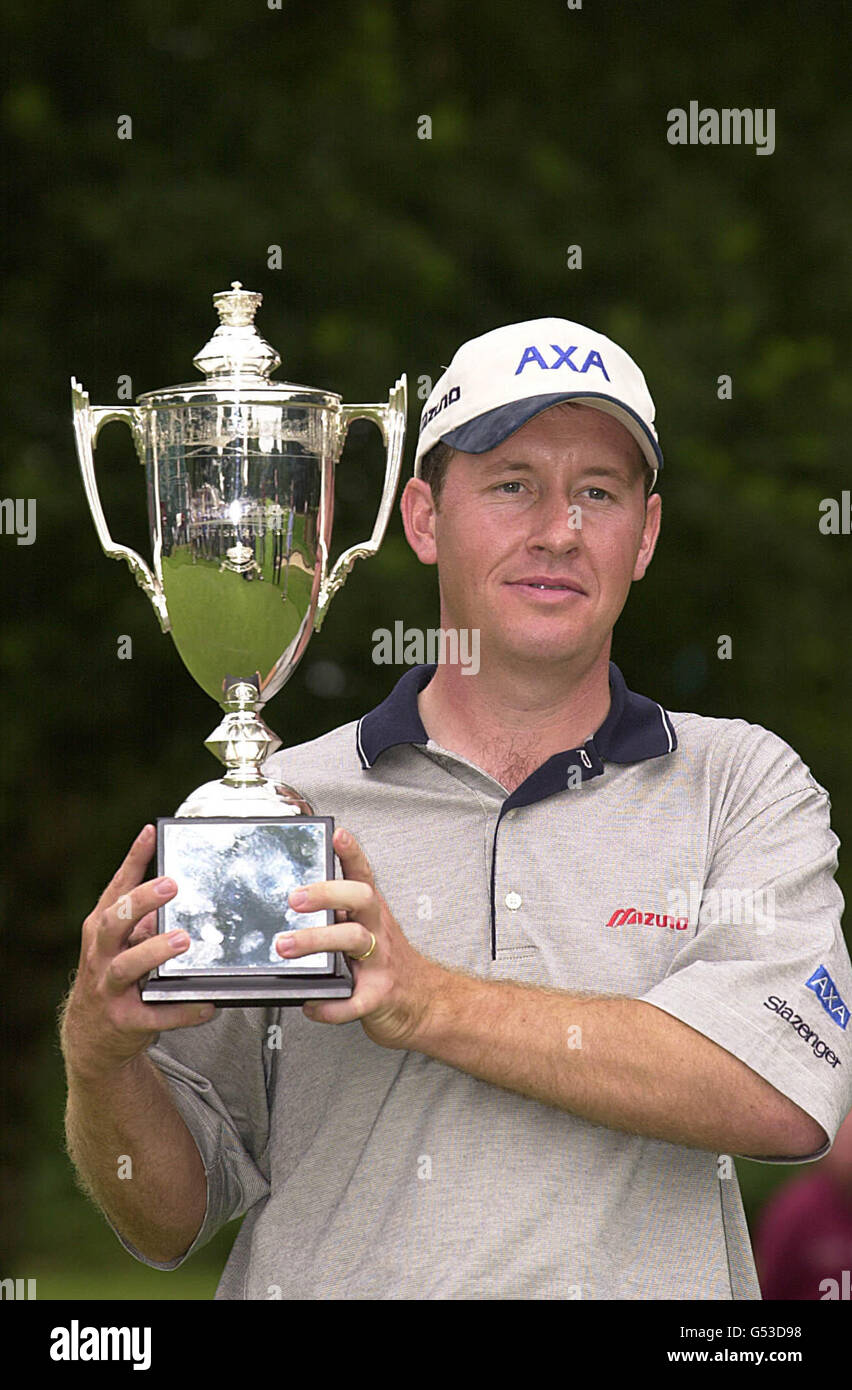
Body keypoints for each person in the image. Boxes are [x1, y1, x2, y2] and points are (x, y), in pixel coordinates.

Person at [60, 317, 852, 1300]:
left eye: (597, 493)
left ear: (643, 535)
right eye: (513, 483)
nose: (558, 528)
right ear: (425, 516)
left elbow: (777, 1090)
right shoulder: (288, 805)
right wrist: (100, 1063)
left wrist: (425, 999)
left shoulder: (742, 784)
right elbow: (169, 1215)